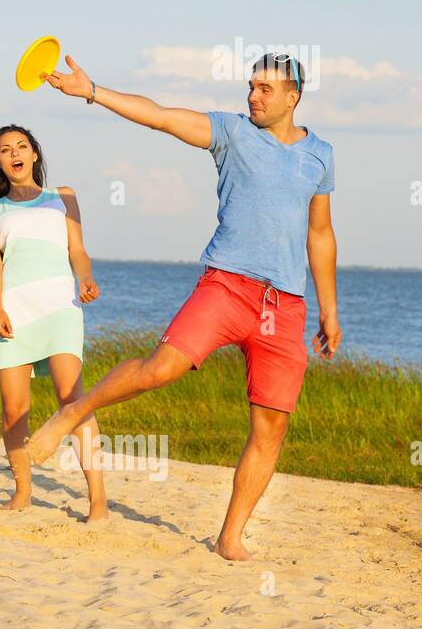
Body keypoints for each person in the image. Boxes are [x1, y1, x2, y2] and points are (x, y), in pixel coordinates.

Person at [25, 53, 341, 560]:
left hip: (285, 305)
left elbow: (320, 233)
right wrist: (92, 91)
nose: (253, 96)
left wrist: (329, 308)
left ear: (293, 96)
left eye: (264, 89)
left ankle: (230, 536)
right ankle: (76, 410)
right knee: (160, 369)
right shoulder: (232, 133)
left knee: (272, 427)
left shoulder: (320, 155)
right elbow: (161, 116)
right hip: (227, 285)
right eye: (251, 86)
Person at [0, 125, 107, 519]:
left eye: (21, 147)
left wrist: (85, 278)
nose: (14, 153)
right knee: (14, 410)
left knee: (73, 399)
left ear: (34, 154)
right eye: (4, 150)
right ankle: (23, 491)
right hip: (15, 309)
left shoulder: (62, 196)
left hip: (60, 306)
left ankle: (98, 500)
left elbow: (78, 250)